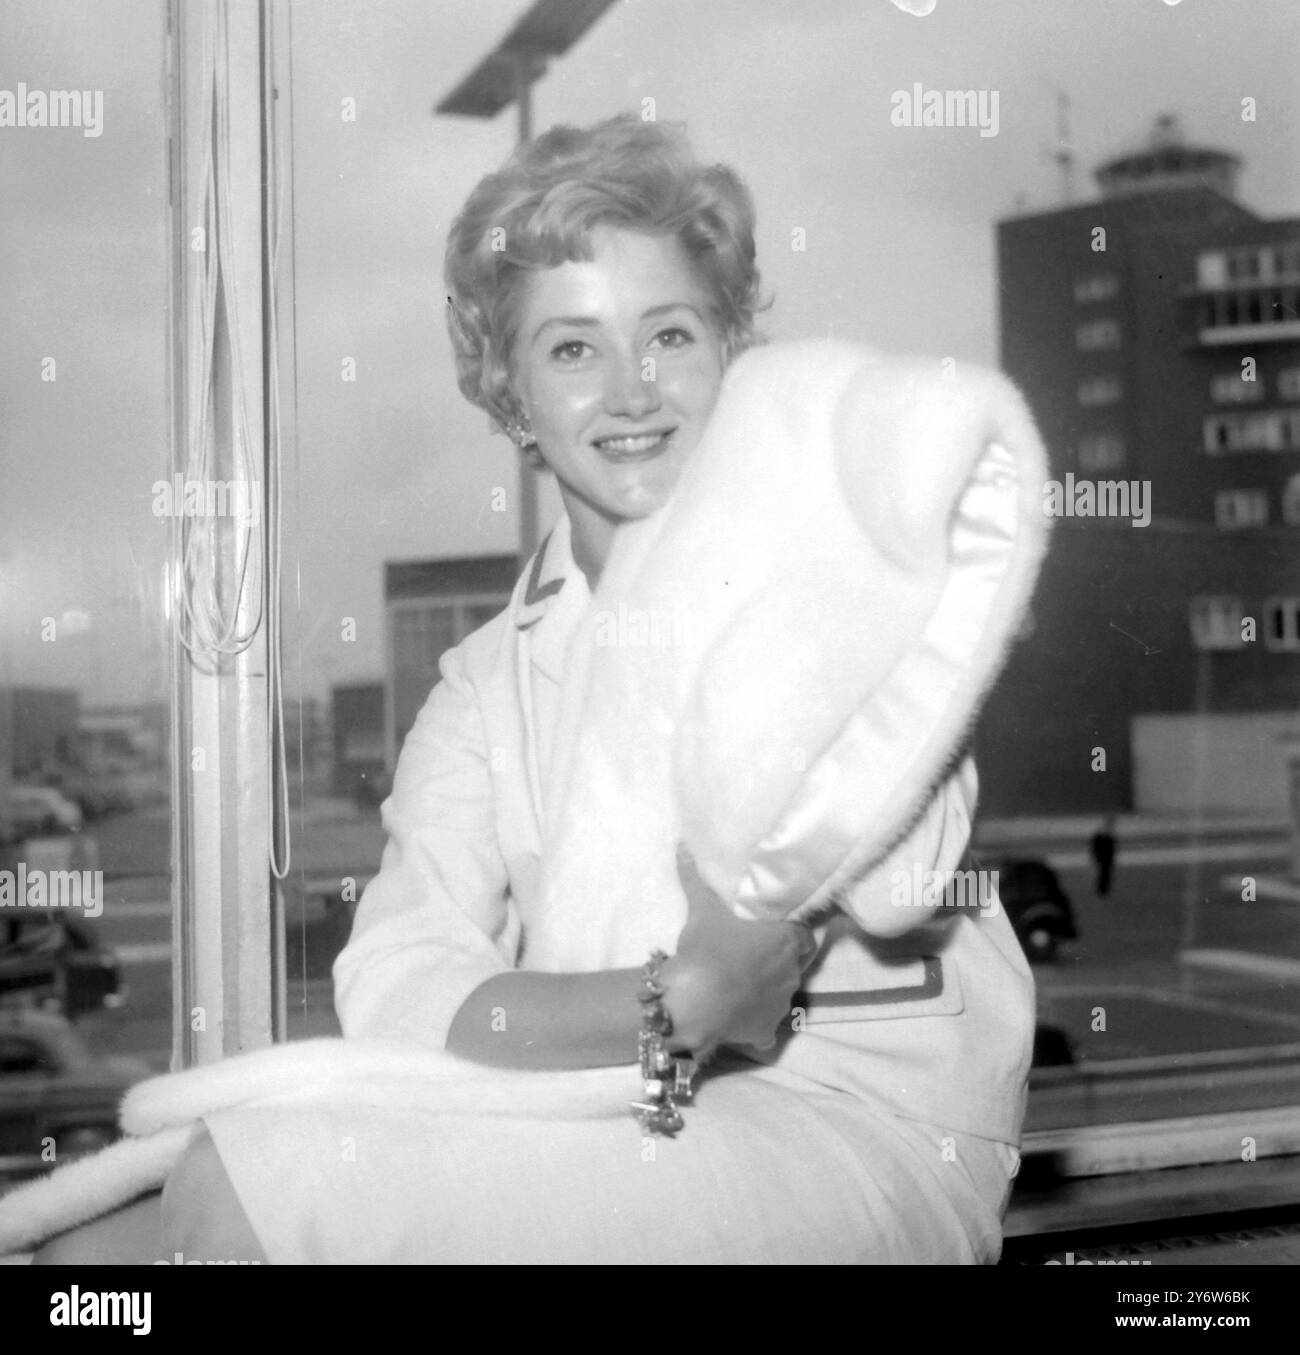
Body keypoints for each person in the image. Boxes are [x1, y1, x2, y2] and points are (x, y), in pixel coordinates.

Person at [34, 114, 1032, 1265]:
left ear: (732, 353)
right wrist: (672, 998)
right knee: (89, 1260)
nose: (632, 390)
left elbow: (904, 867)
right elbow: (402, 978)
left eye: (670, 332)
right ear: (507, 392)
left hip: (865, 1127)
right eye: (572, 349)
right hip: (625, 1107)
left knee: (256, 1189)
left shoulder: (837, 561)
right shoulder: (489, 679)